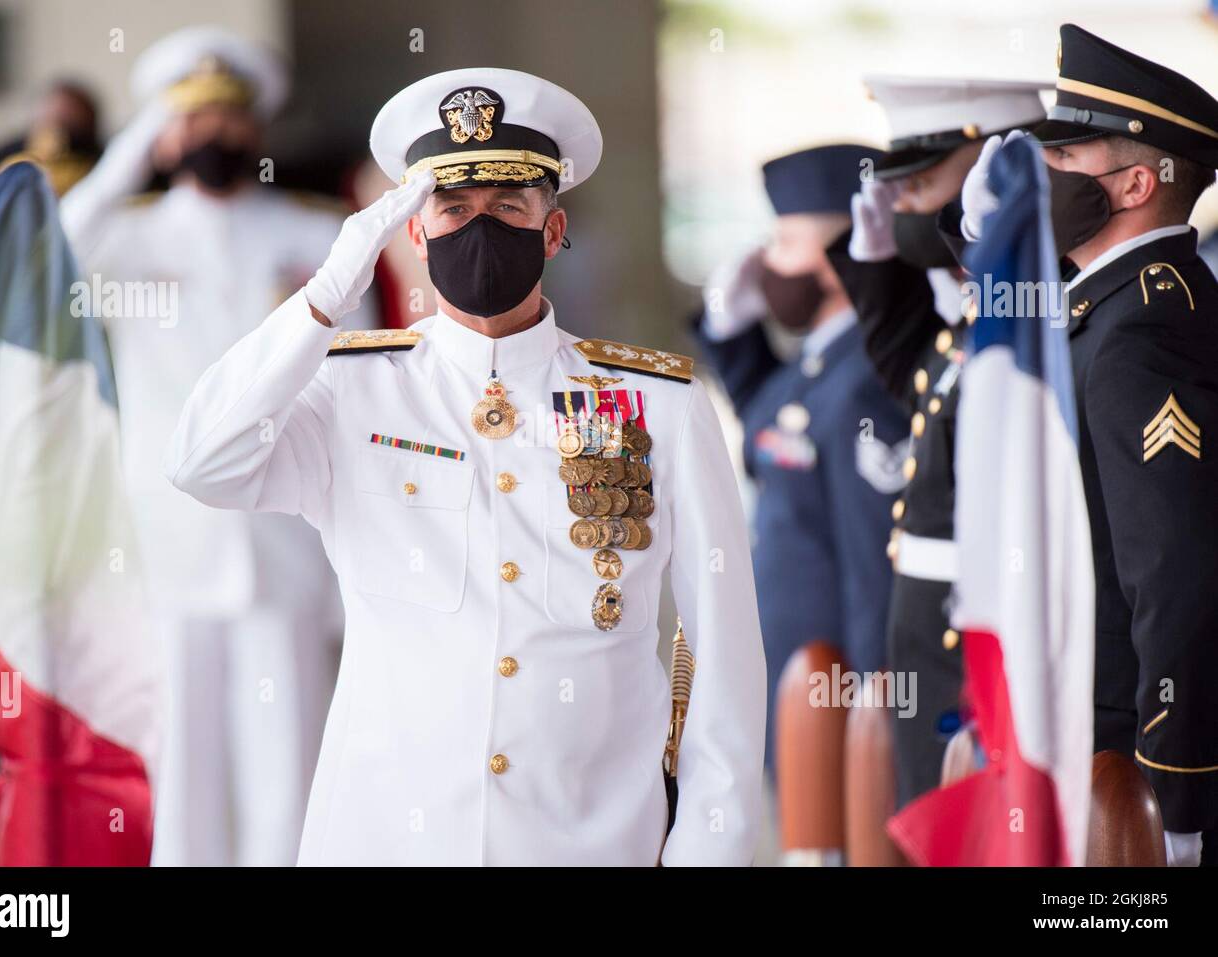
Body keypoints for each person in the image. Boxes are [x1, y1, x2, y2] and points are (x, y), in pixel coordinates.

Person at [165, 67, 766, 866]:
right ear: (417, 232)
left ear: (551, 233)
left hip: (587, 841)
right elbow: (203, 461)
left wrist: (707, 850)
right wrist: (322, 299)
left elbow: (724, 653)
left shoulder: (660, 406)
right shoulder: (350, 389)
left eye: (509, 208)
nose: (479, 228)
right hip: (387, 837)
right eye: (453, 209)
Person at [61, 27, 371, 866]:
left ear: (258, 131)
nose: (215, 137)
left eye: (230, 120)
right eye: (192, 120)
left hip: (288, 535)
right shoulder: (127, 236)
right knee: (181, 769)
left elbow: (355, 389)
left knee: (290, 768)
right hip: (167, 545)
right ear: (165, 133)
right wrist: (131, 150)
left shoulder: (315, 236)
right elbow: (52, 246)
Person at [985, 23, 1217, 866]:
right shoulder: (1112, 307)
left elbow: (1177, 575)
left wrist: (1174, 791)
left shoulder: (1139, 332)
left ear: (1134, 185)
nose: (1043, 179)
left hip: (1122, 769)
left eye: (1067, 163)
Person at [825, 76, 1047, 808]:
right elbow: (915, 377)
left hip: (975, 641)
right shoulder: (967, 322)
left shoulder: (1032, 317)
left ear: (996, 163)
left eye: (922, 184)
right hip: (934, 639)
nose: (908, 204)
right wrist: (880, 261)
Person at [694, 144, 909, 783]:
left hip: (835, 697)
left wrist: (875, 714)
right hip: (794, 685)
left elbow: (874, 569)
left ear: (841, 259)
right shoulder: (819, 364)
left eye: (786, 241)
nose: (768, 262)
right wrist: (730, 333)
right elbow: (771, 422)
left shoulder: (866, 382)